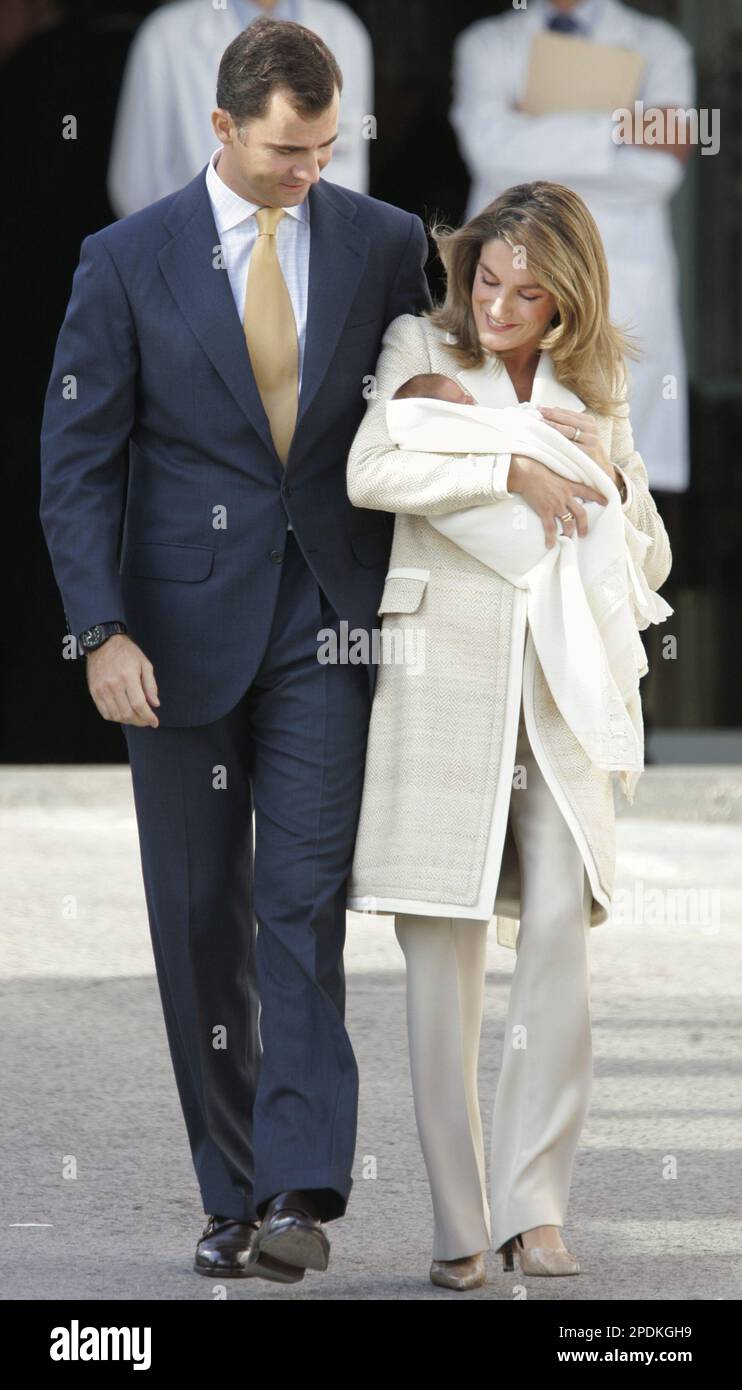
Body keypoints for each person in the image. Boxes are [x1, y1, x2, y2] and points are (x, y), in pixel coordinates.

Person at [39, 15, 431, 1284]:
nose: (305, 172)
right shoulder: (125, 257)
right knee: (199, 917)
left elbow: (446, 384)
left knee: (299, 904)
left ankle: (300, 1187)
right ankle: (232, 1191)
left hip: (327, 618)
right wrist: (99, 630)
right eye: (283, 151)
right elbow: (77, 464)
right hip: (172, 633)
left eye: (323, 148)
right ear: (222, 129)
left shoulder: (384, 244)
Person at [346, 180, 671, 1288]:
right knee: (440, 944)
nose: (496, 304)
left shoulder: (598, 377)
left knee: (557, 947)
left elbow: (647, 553)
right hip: (447, 668)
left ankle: (536, 1209)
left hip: (565, 689)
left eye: (526, 294)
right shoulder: (413, 340)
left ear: (566, 306)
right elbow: (372, 467)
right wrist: (510, 461)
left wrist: (608, 468)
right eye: (488, 277)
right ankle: (456, 1220)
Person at [450, 0, 695, 494]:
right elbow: (490, 151)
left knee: (620, 471)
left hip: (622, 276)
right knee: (512, 455)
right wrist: (621, 127)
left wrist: (534, 126)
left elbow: (663, 169)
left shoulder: (660, 46)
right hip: (519, 263)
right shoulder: (486, 43)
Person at [107, 0, 373, 216]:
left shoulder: (343, 31)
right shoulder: (165, 35)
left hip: (310, 254)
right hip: (196, 256)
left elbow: (350, 170)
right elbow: (135, 183)